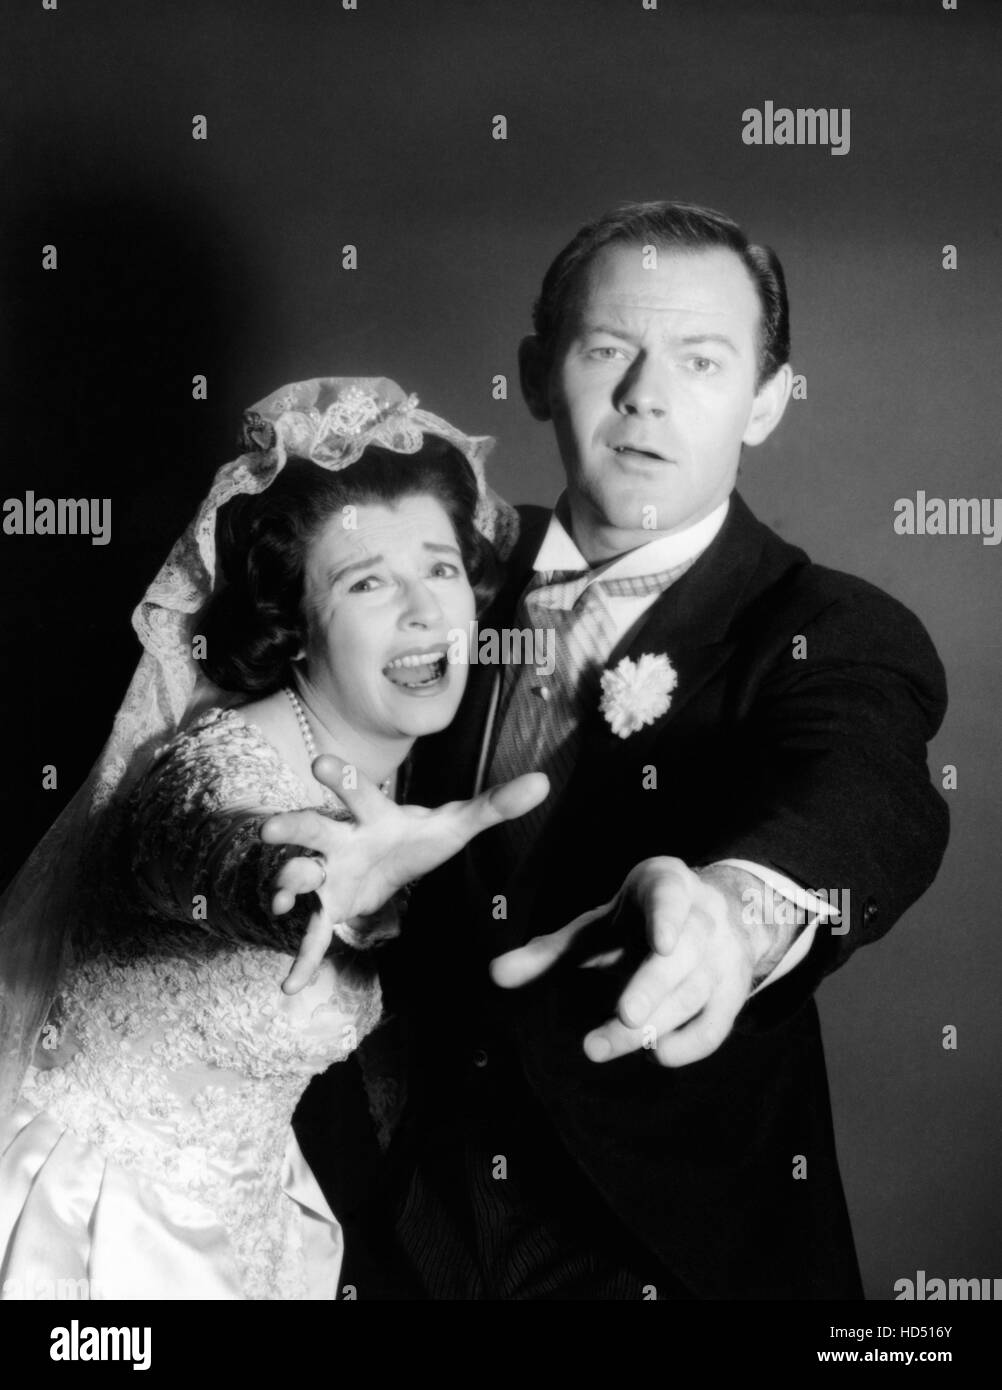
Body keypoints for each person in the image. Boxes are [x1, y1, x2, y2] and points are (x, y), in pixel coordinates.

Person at [274, 202, 950, 1300]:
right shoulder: (420, 575)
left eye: (701, 360)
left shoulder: (832, 626)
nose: (646, 394)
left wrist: (737, 913)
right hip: (379, 1215)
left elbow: (867, 794)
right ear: (540, 373)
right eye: (607, 350)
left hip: (659, 1244)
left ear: (768, 401)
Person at [0, 377, 546, 1301]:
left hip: (257, 1223)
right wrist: (285, 879)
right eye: (368, 581)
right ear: (294, 628)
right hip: (100, 1235)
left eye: (442, 569)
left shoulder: (401, 772)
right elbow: (192, 846)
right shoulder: (214, 763)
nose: (423, 612)